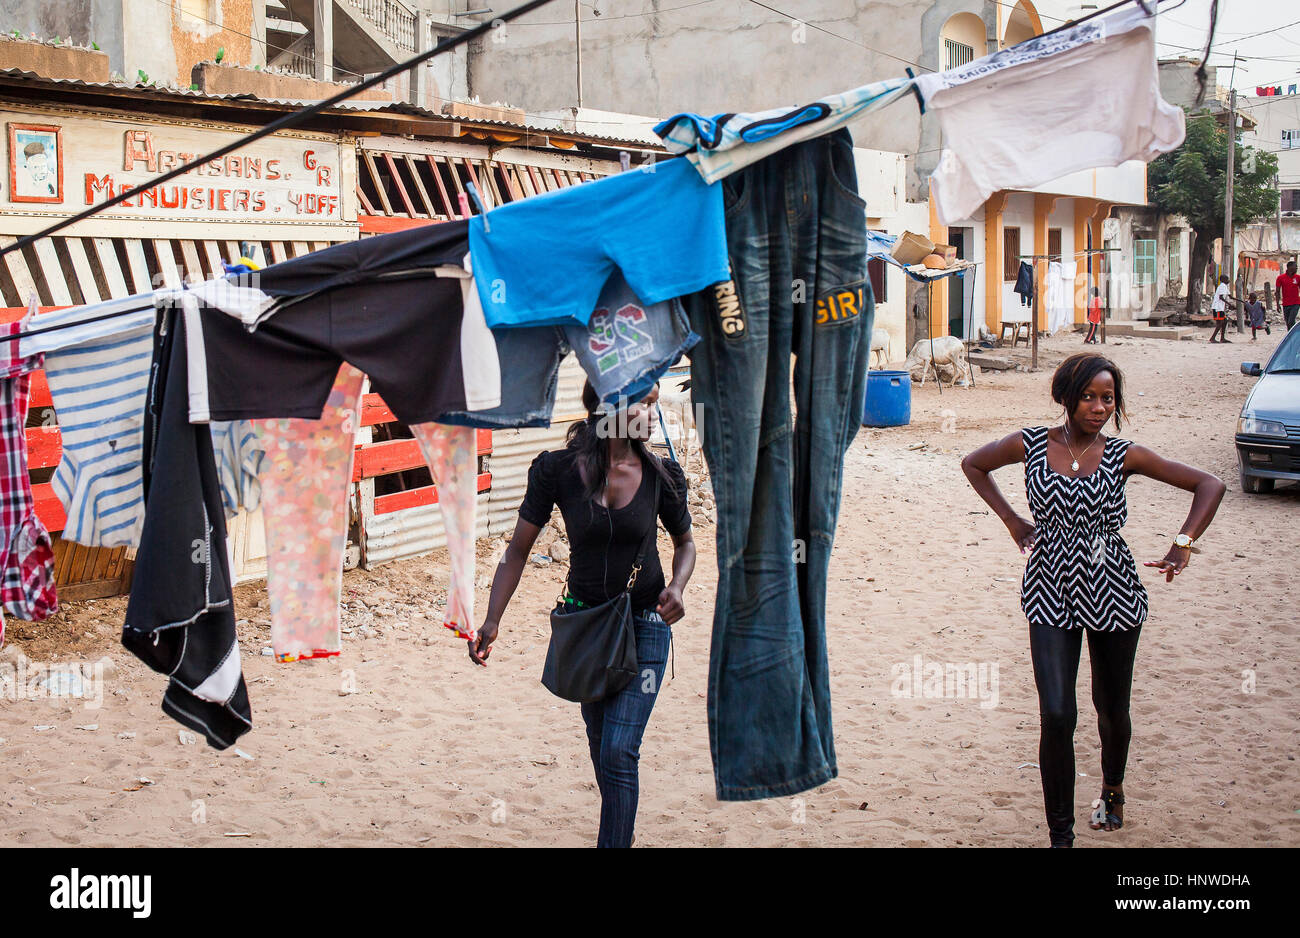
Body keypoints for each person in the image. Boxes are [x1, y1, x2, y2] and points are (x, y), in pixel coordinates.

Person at [960, 353, 1225, 847]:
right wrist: (1013, 521)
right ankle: (1062, 835)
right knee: (1057, 713)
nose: (1099, 407)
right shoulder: (1030, 443)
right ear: (1066, 396)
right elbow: (973, 463)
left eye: (1108, 398)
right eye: (1089, 396)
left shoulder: (1124, 455)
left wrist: (1181, 545)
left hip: (1114, 589)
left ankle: (1112, 789)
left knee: (1111, 708)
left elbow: (1210, 483)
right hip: (1049, 589)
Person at [470, 380, 696, 848]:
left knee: (618, 749)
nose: (654, 414)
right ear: (610, 409)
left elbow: (686, 543)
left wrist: (676, 586)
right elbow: (516, 552)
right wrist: (493, 620)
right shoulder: (557, 471)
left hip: (647, 623)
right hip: (587, 625)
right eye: (645, 404)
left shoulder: (661, 475)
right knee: (602, 747)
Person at [1209, 274, 1234, 343]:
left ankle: (1222, 338)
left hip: (1220, 308)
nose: (1229, 280)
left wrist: (1241, 301)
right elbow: (1221, 297)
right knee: (1220, 323)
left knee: (1225, 321)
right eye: (1227, 279)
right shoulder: (1222, 286)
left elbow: (1230, 296)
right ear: (1224, 280)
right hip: (1218, 308)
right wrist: (1230, 304)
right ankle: (1212, 338)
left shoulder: (1224, 286)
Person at [1276, 260, 1300, 332]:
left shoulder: (1298, 277)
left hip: (1296, 303)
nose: (1296, 269)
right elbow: (1277, 291)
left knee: (1291, 321)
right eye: (1295, 267)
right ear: (1289, 267)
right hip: (1286, 304)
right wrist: (1277, 304)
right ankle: (1290, 337)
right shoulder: (1281, 278)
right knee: (1287, 323)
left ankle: (1295, 335)